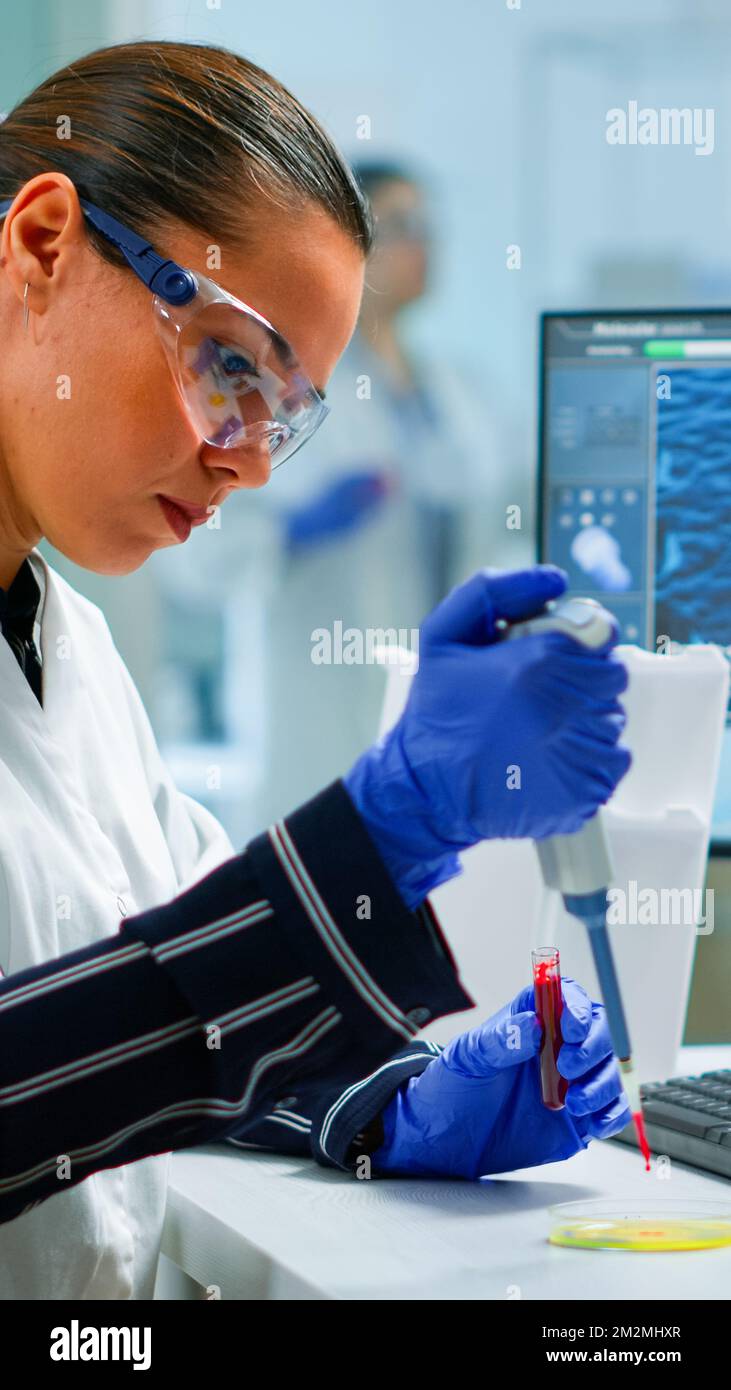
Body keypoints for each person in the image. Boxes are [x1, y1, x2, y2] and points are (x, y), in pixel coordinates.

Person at [0, 40, 631, 1300]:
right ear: (44, 243)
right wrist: (380, 831)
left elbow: (171, 1019)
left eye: (283, 412)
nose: (249, 462)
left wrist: (376, 1104)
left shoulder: (70, 652)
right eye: (229, 361)